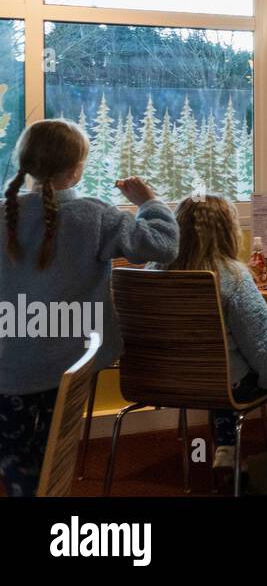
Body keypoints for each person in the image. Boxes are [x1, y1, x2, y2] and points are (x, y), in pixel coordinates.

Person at [0, 120, 179, 497]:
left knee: (17, 457)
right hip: (68, 362)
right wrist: (149, 202)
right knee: (56, 454)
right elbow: (163, 246)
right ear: (78, 168)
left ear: (25, 162)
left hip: (8, 362)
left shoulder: (4, 214)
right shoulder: (95, 215)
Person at [165, 195, 267, 483]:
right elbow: (264, 344)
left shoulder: (155, 270)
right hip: (228, 382)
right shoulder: (232, 276)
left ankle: (227, 448)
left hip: (171, 378)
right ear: (228, 230)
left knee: (222, 362)